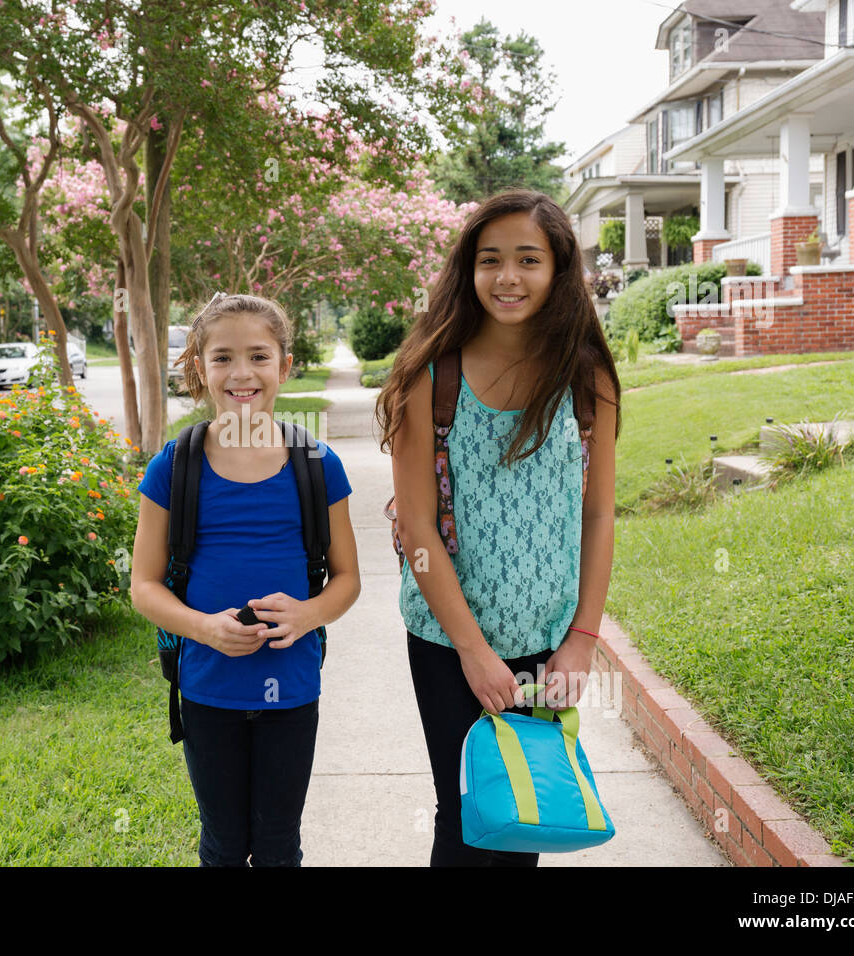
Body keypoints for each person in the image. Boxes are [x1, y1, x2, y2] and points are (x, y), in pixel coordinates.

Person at [375, 189, 622, 867]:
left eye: (527, 260)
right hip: (448, 640)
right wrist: (474, 653)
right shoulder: (429, 377)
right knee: (466, 821)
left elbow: (599, 514)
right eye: (490, 260)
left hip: (547, 641)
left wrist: (582, 640)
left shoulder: (586, 375)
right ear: (468, 269)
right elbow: (419, 530)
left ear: (559, 269)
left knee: (526, 819)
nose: (507, 277)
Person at [130, 292, 361, 867]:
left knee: (280, 841)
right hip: (208, 688)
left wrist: (310, 613)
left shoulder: (316, 464)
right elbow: (144, 585)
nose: (241, 373)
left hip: (293, 688)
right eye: (222, 357)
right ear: (199, 368)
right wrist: (204, 628)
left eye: (258, 356)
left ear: (284, 366)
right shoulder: (173, 466)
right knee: (225, 843)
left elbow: (348, 578)